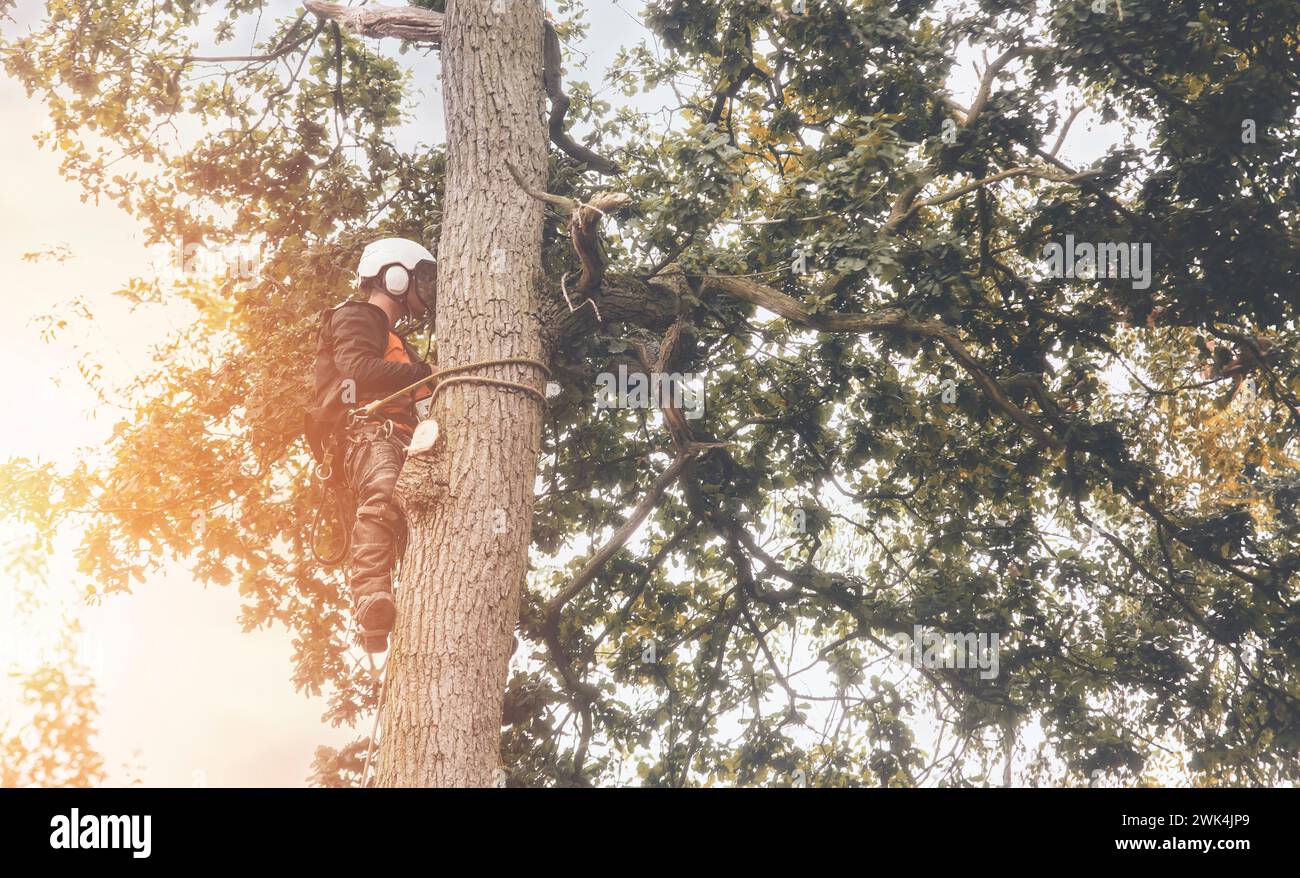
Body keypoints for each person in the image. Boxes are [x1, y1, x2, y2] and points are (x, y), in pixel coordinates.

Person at [304, 238, 437, 653]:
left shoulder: (401, 347)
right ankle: (370, 601)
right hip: (366, 433)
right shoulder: (357, 316)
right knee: (382, 492)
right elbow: (357, 369)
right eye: (421, 278)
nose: (426, 289)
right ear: (393, 274)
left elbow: (424, 398)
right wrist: (426, 371)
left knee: (431, 514)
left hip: (405, 440)